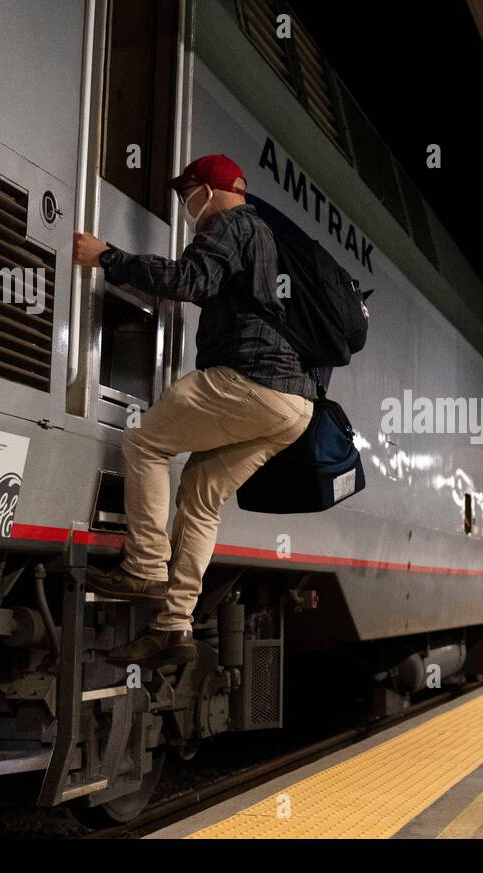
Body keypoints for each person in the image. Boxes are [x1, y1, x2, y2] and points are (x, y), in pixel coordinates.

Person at [71, 154, 314, 667]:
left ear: (210, 189)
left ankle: (144, 568)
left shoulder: (230, 223)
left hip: (251, 381)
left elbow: (190, 281)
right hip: (295, 405)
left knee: (144, 442)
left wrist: (107, 258)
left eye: (189, 193)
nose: (187, 205)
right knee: (202, 496)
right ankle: (173, 629)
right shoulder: (268, 239)